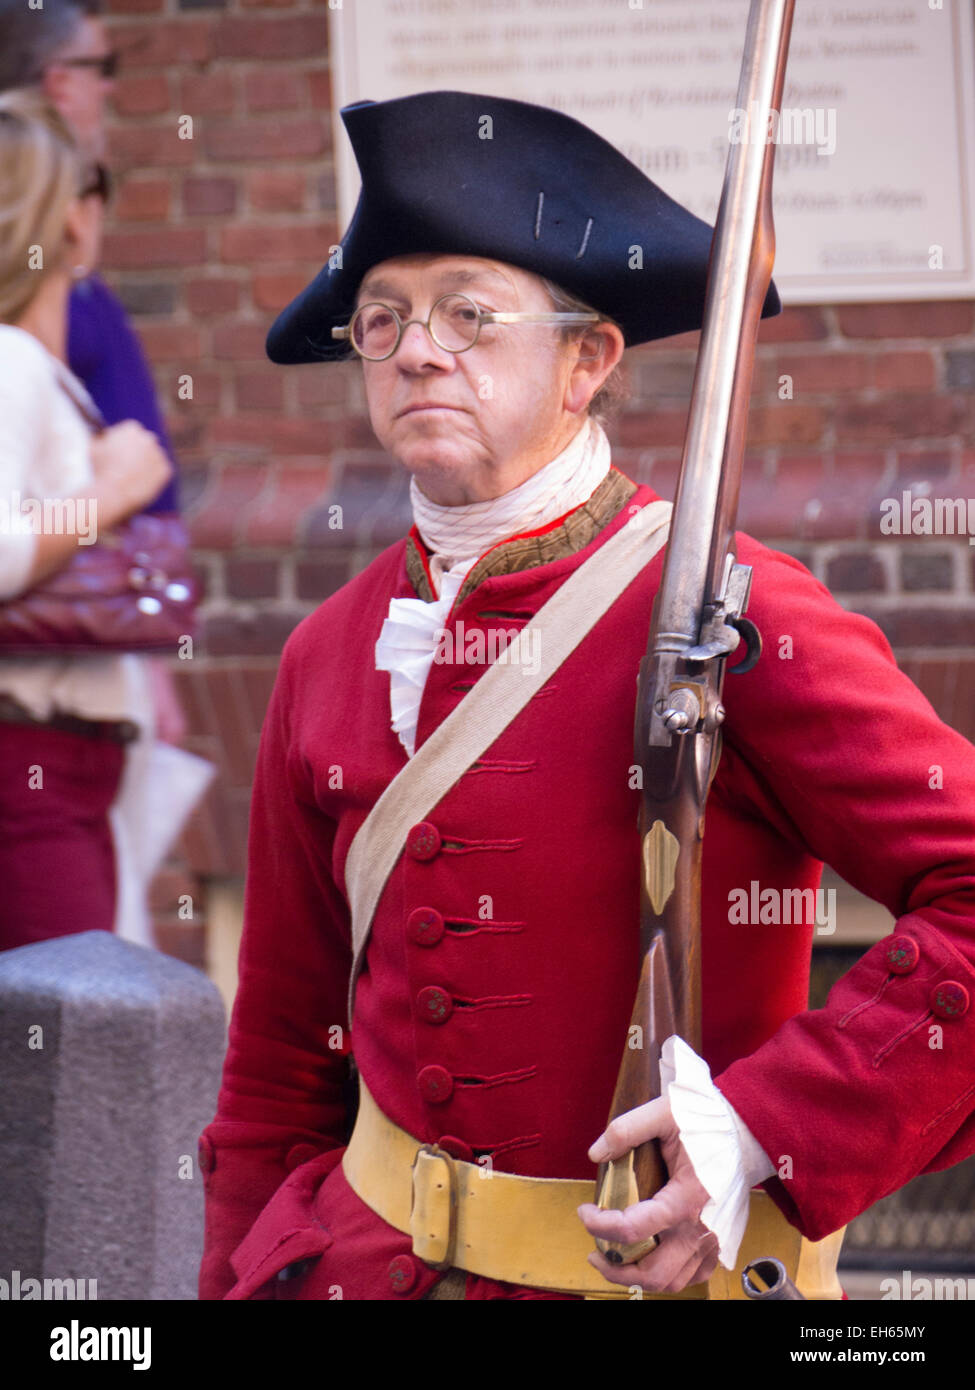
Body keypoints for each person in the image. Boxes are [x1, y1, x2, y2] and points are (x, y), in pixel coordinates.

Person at [198, 91, 975, 1301]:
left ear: (588, 360)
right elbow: (280, 1064)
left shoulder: (736, 610)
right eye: (383, 319)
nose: (416, 349)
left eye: (468, 313)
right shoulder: (324, 653)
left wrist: (761, 1128)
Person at [0, 89, 172, 948]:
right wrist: (113, 492)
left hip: (64, 769)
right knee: (71, 1066)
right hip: (29, 771)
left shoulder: (30, 366)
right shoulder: (10, 365)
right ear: (68, 217)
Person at [0, 0, 186, 744]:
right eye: (92, 189)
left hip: (78, 707)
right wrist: (109, 495)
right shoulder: (13, 358)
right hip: (34, 731)